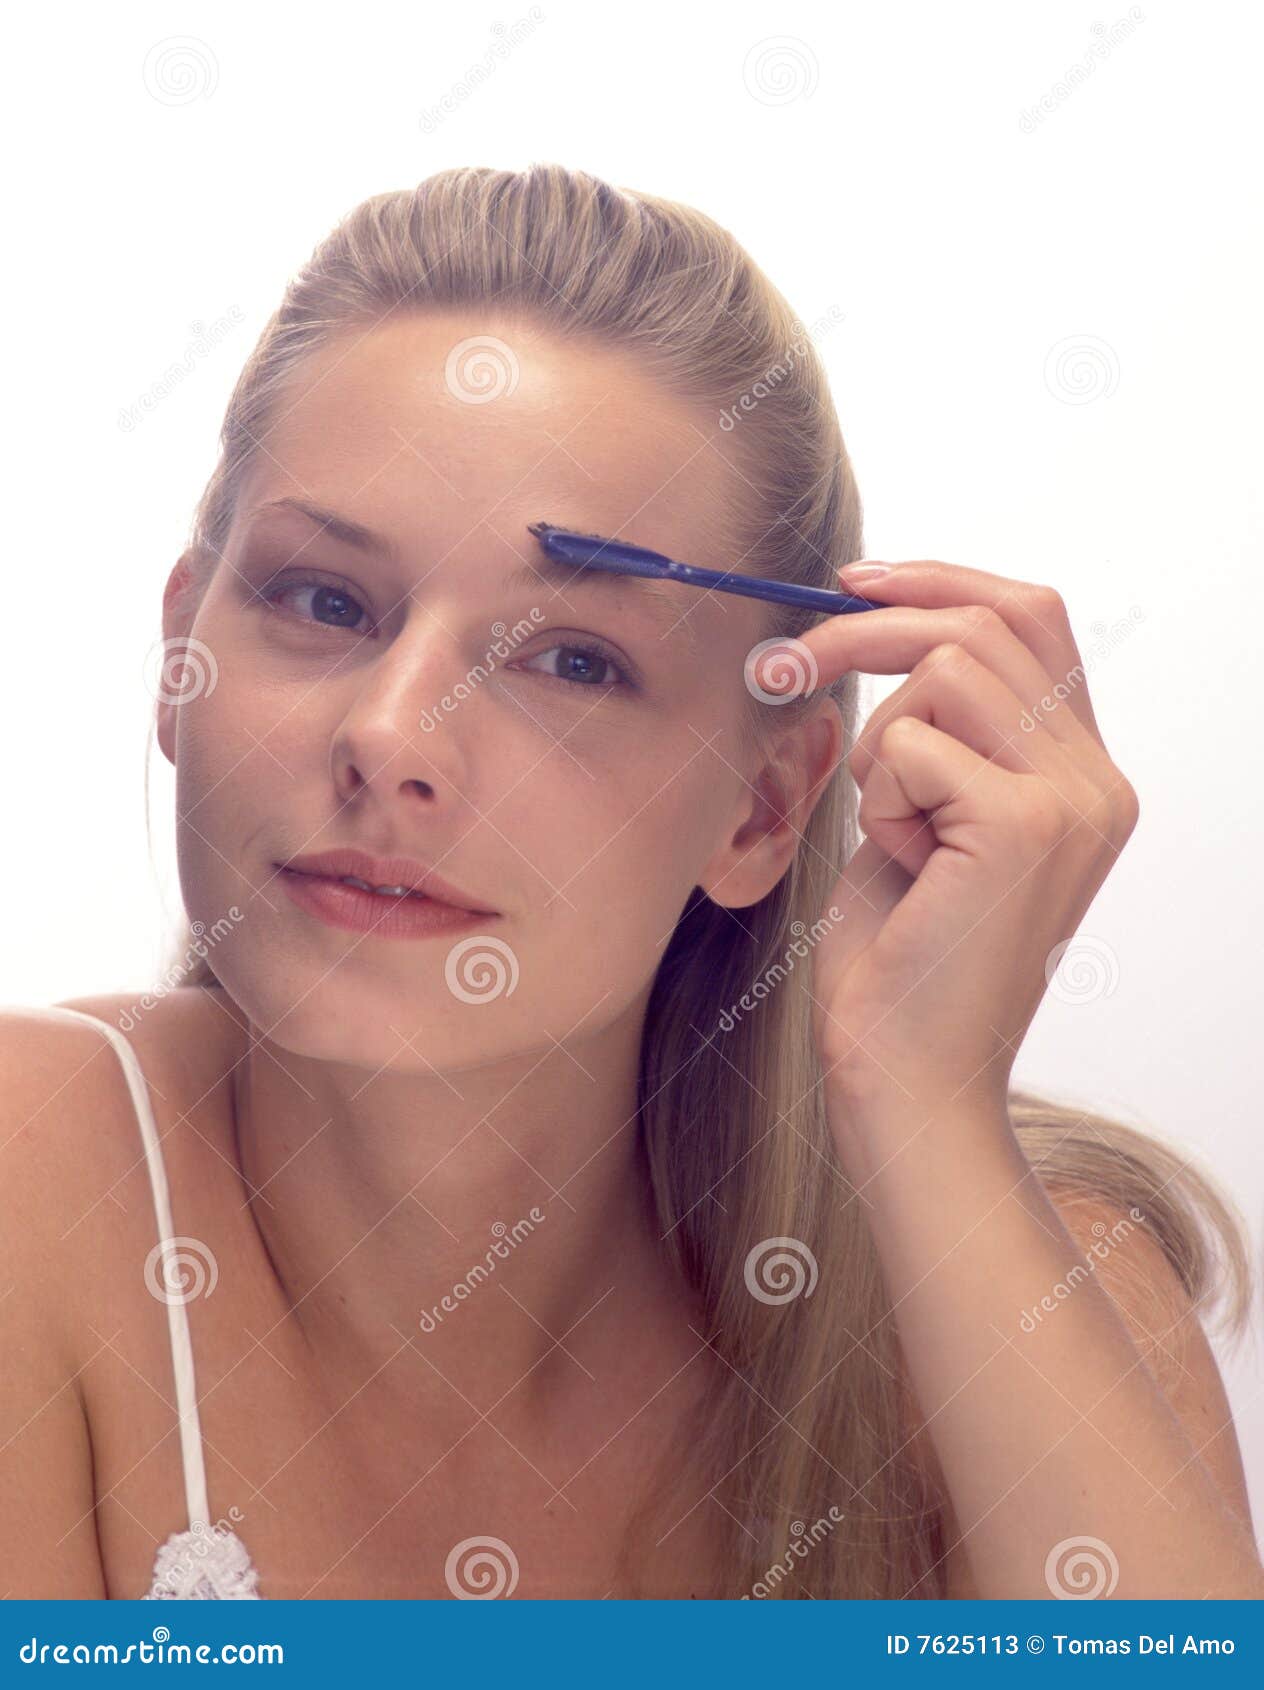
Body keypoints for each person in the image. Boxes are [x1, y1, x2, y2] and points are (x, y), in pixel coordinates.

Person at [2, 164, 1259, 1601]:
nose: (390, 735)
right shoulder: (30, 1185)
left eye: (573, 660)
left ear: (768, 803)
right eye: (324, 600)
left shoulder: (1020, 1284)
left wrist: (922, 1102)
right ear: (181, 654)